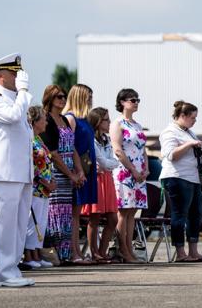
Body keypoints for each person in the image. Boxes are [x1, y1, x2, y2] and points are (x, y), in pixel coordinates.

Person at [0, 53, 36, 287]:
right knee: (5, 222)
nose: (18, 77)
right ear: (1, 76)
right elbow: (14, 118)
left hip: (21, 171)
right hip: (5, 172)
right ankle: (2, 270)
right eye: (14, 73)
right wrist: (24, 93)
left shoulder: (15, 100)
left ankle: (12, 268)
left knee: (19, 222)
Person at [159, 100, 202, 262]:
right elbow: (171, 155)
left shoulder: (189, 132)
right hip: (177, 177)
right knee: (179, 215)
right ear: (182, 116)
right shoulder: (169, 132)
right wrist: (189, 144)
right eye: (192, 118)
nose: (194, 121)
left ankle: (193, 251)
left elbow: (193, 155)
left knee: (196, 215)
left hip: (193, 178)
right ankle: (180, 252)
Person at [41, 84, 82, 264]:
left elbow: (72, 147)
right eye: (59, 96)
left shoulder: (64, 120)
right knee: (55, 213)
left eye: (64, 96)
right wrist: (70, 174)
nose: (63, 100)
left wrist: (79, 170)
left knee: (66, 214)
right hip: (56, 173)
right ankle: (56, 254)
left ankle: (66, 254)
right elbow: (53, 153)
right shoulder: (48, 120)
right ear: (50, 98)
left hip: (69, 172)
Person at [111, 88, 147, 264]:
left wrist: (145, 169)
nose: (136, 103)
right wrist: (133, 170)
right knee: (123, 212)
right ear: (123, 102)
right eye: (133, 100)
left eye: (138, 100)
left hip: (139, 172)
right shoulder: (117, 123)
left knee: (133, 212)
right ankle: (122, 249)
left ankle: (130, 249)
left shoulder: (137, 125)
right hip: (125, 172)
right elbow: (117, 150)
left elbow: (143, 149)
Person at [63, 84, 97, 264]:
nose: (91, 99)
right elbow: (70, 147)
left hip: (87, 169)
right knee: (73, 213)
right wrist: (77, 170)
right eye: (88, 96)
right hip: (78, 170)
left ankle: (77, 251)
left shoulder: (85, 119)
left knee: (77, 213)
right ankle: (73, 252)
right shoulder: (71, 118)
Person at [83, 107, 120, 262]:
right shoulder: (91, 138)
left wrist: (110, 163)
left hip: (107, 179)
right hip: (97, 180)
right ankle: (94, 252)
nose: (109, 122)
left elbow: (112, 161)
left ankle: (103, 251)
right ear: (97, 121)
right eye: (106, 119)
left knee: (113, 219)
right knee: (95, 217)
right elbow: (104, 162)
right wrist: (110, 163)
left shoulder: (106, 139)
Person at [24, 105, 55, 269]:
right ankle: (29, 256)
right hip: (37, 188)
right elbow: (32, 164)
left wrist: (52, 181)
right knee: (32, 222)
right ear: (35, 121)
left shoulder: (39, 139)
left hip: (45, 190)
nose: (46, 123)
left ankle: (37, 252)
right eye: (44, 119)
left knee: (41, 223)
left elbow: (47, 162)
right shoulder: (30, 139)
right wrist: (44, 182)